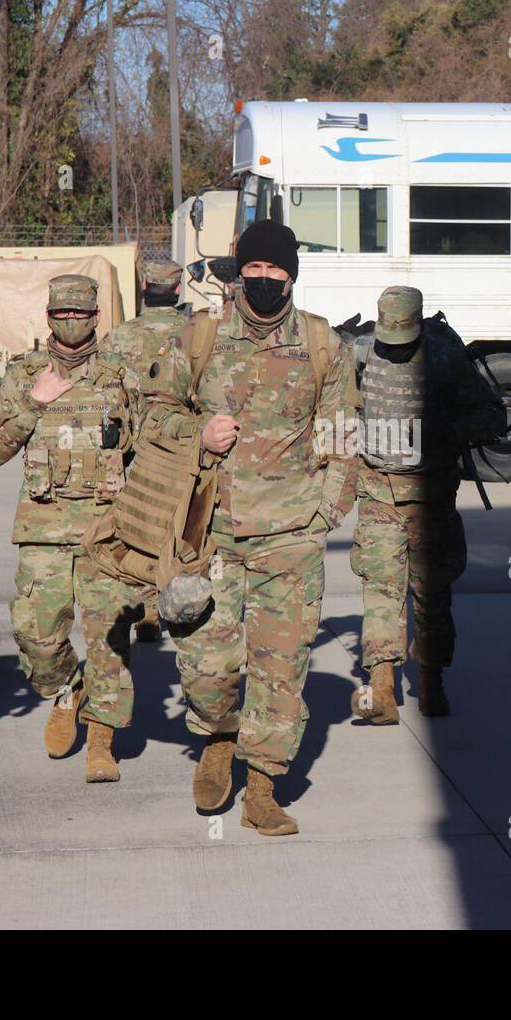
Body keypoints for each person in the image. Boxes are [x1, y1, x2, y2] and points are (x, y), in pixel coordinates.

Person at [146, 220, 357, 835]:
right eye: (254, 270)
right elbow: (153, 416)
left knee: (281, 670)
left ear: (293, 274)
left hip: (290, 538)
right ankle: (218, 736)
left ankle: (261, 787)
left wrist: (323, 515)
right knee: (208, 666)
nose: (264, 280)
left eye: (276, 270)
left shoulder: (323, 345)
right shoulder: (200, 337)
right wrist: (197, 434)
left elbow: (343, 438)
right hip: (212, 536)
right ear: (239, 272)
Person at [0, 274, 144, 783]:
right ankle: (67, 689)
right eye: (62, 315)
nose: (71, 323)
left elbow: (146, 449)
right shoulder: (24, 375)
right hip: (44, 532)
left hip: (105, 534)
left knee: (109, 642)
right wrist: (35, 402)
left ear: (97, 318)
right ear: (49, 318)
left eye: (81, 315)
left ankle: (101, 740)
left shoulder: (122, 377)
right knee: (36, 636)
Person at [349, 287, 507, 723]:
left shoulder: (445, 355)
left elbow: (494, 416)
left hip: (432, 496)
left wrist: (449, 431)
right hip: (379, 488)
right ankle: (382, 688)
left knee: (431, 594)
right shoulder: (359, 352)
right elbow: (337, 411)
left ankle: (432, 681)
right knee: (381, 588)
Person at [99, 259, 188, 642]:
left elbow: (106, 388)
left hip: (136, 440)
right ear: (178, 290)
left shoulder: (120, 336)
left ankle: (147, 603)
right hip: (180, 440)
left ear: (143, 288)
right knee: (178, 522)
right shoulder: (193, 332)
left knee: (139, 520)